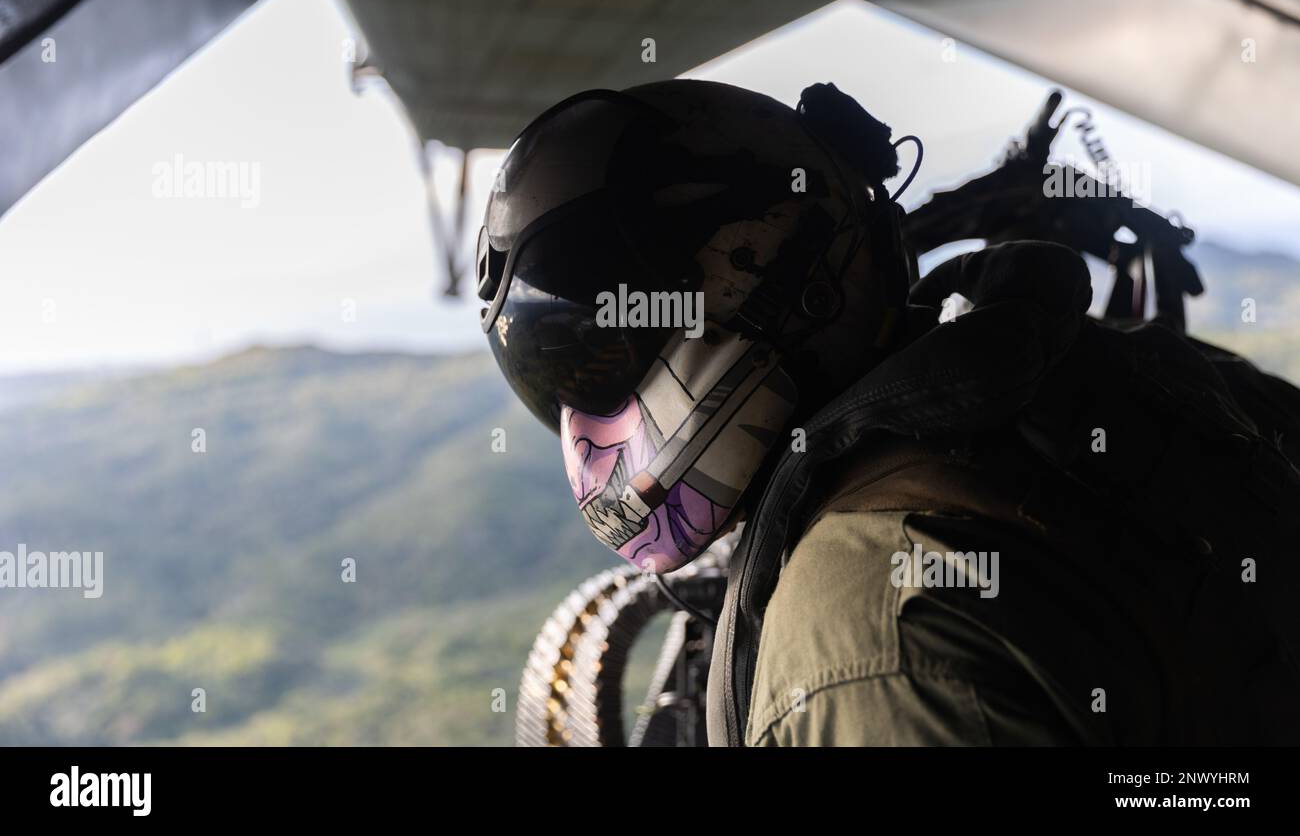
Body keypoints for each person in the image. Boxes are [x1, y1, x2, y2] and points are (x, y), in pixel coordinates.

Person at [476, 78, 1300, 746]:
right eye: (558, 372)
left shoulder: (866, 630)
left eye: (606, 350)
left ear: (776, 275)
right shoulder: (1136, 373)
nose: (582, 415)